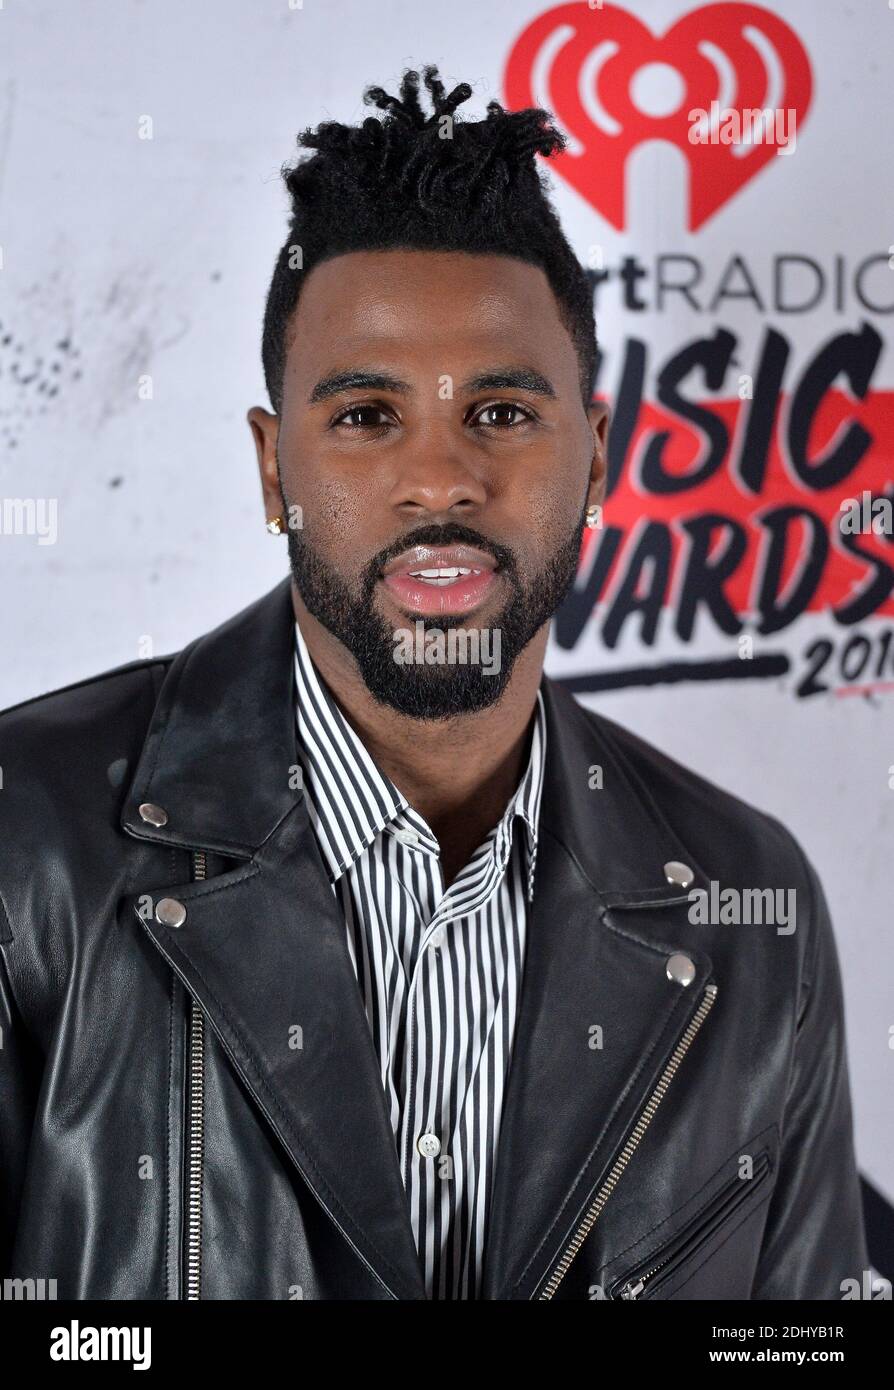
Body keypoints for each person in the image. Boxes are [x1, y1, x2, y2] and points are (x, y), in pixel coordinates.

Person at [0, 66, 867, 1301]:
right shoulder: (27, 842)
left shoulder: (749, 903)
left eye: (503, 412)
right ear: (273, 470)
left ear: (597, 459)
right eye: (367, 415)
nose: (441, 480)